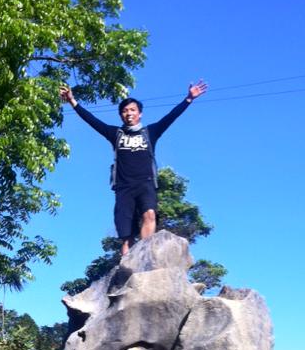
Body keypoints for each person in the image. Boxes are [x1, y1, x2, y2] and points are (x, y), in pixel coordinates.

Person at [60, 81, 208, 254]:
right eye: (124, 111)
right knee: (126, 234)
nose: (128, 113)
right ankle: (127, 270)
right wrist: (72, 101)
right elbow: (92, 121)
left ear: (140, 114)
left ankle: (146, 256)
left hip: (145, 183)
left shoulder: (150, 132)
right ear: (121, 115)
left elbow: (170, 117)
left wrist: (188, 99)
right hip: (124, 187)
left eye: (132, 110)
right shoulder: (115, 134)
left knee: (150, 214)